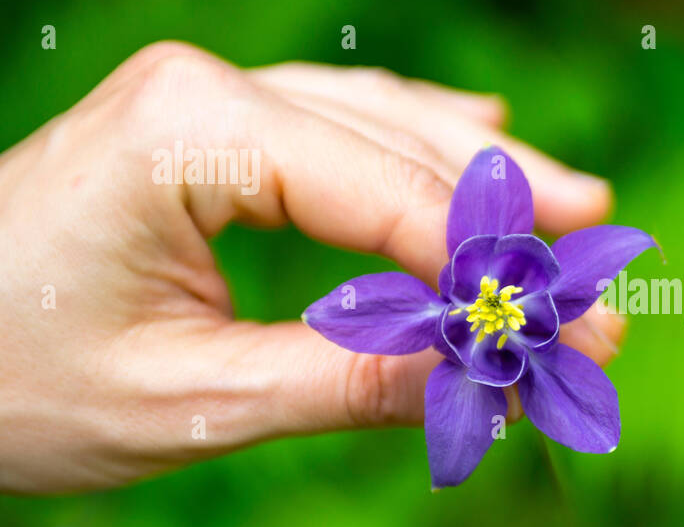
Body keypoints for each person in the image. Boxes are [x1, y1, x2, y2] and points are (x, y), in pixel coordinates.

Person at [0, 42, 623, 494]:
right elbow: (453, 443)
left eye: (500, 304)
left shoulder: (542, 299)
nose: (496, 307)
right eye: (495, 302)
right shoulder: (458, 327)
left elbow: (592, 402)